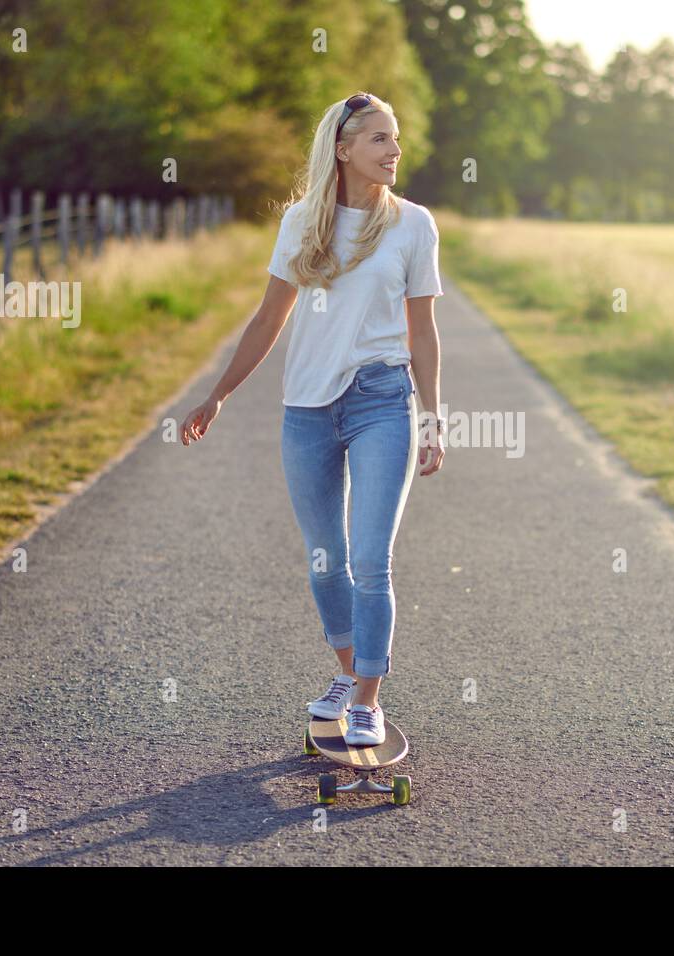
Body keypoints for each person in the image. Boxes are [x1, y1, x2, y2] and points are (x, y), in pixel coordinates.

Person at [180, 92, 446, 747]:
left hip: (382, 401)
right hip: (307, 409)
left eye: (396, 138)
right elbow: (270, 317)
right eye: (380, 139)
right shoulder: (303, 221)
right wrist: (220, 394)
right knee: (326, 563)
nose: (394, 151)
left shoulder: (414, 224)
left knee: (370, 559)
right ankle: (350, 675)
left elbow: (424, 331)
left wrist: (435, 416)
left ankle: (366, 702)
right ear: (343, 148)